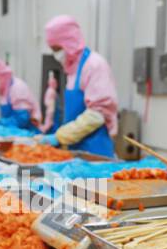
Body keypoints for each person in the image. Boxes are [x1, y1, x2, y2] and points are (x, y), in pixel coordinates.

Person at [42, 15, 119, 156]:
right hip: (75, 152)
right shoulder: (72, 70)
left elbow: (97, 115)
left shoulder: (94, 65)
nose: (55, 54)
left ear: (69, 42)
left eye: (57, 48)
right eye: (53, 49)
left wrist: (60, 137)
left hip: (95, 153)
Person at [0, 57, 39, 129]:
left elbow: (22, 120)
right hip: (13, 132)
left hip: (25, 133)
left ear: (1, 76)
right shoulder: (6, 91)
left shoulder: (17, 88)